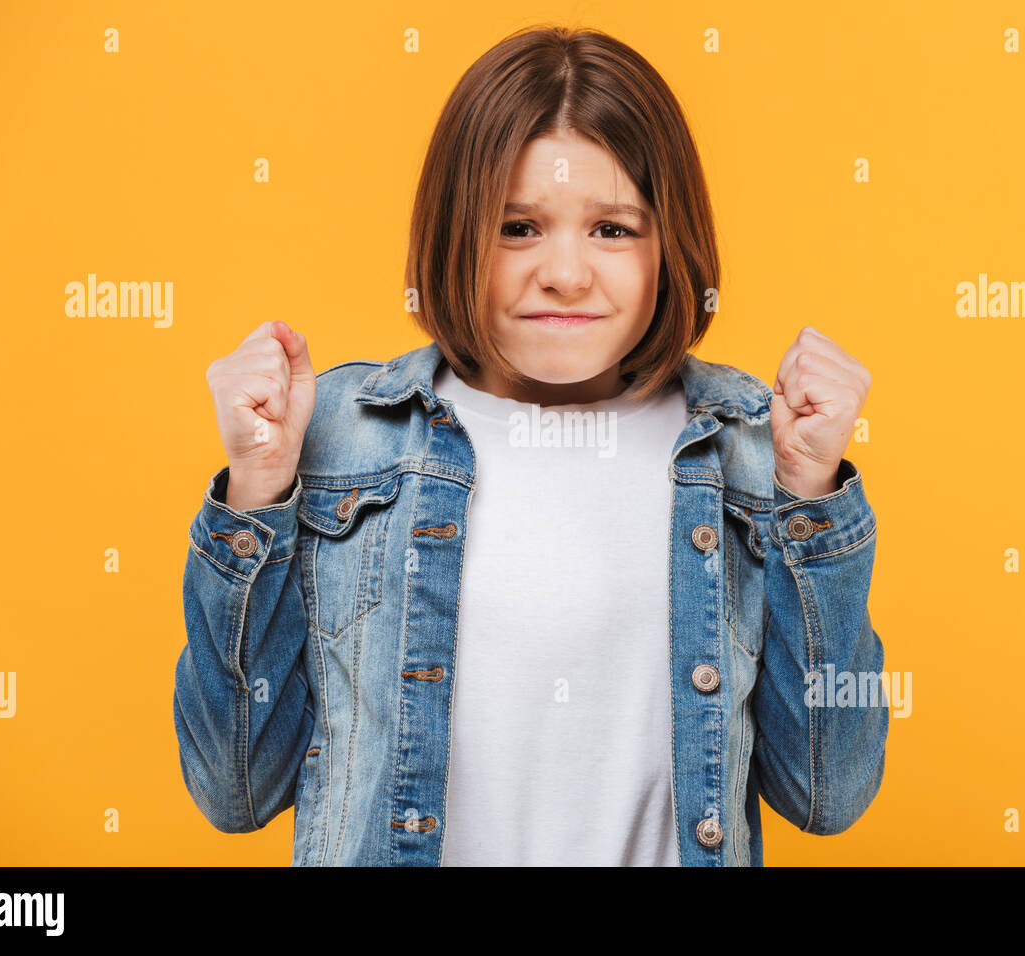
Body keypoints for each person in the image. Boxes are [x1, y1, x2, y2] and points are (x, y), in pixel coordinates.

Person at [174, 23, 887, 866]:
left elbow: (829, 793)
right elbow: (236, 790)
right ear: (455, 233)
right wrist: (256, 495)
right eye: (519, 227)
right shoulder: (332, 439)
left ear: (671, 242)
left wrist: (812, 500)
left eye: (613, 229)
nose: (566, 273)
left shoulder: (752, 448)